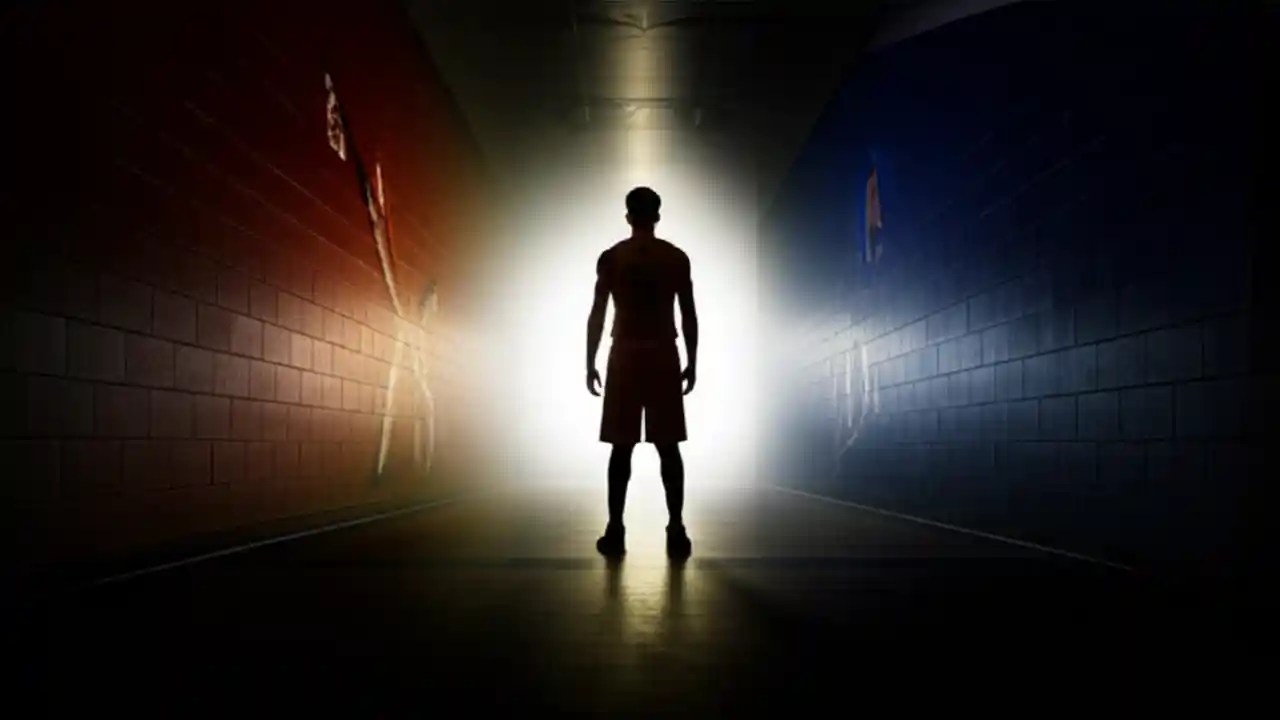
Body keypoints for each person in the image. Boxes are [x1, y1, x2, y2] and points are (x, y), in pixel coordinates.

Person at [586, 186, 697, 559]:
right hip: (663, 352)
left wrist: (589, 361)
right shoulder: (676, 258)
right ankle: (676, 528)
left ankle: (615, 529)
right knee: (669, 447)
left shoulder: (613, 258)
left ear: (629, 216)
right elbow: (688, 315)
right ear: (658, 216)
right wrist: (692, 360)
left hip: (626, 355)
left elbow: (598, 314)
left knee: (621, 446)